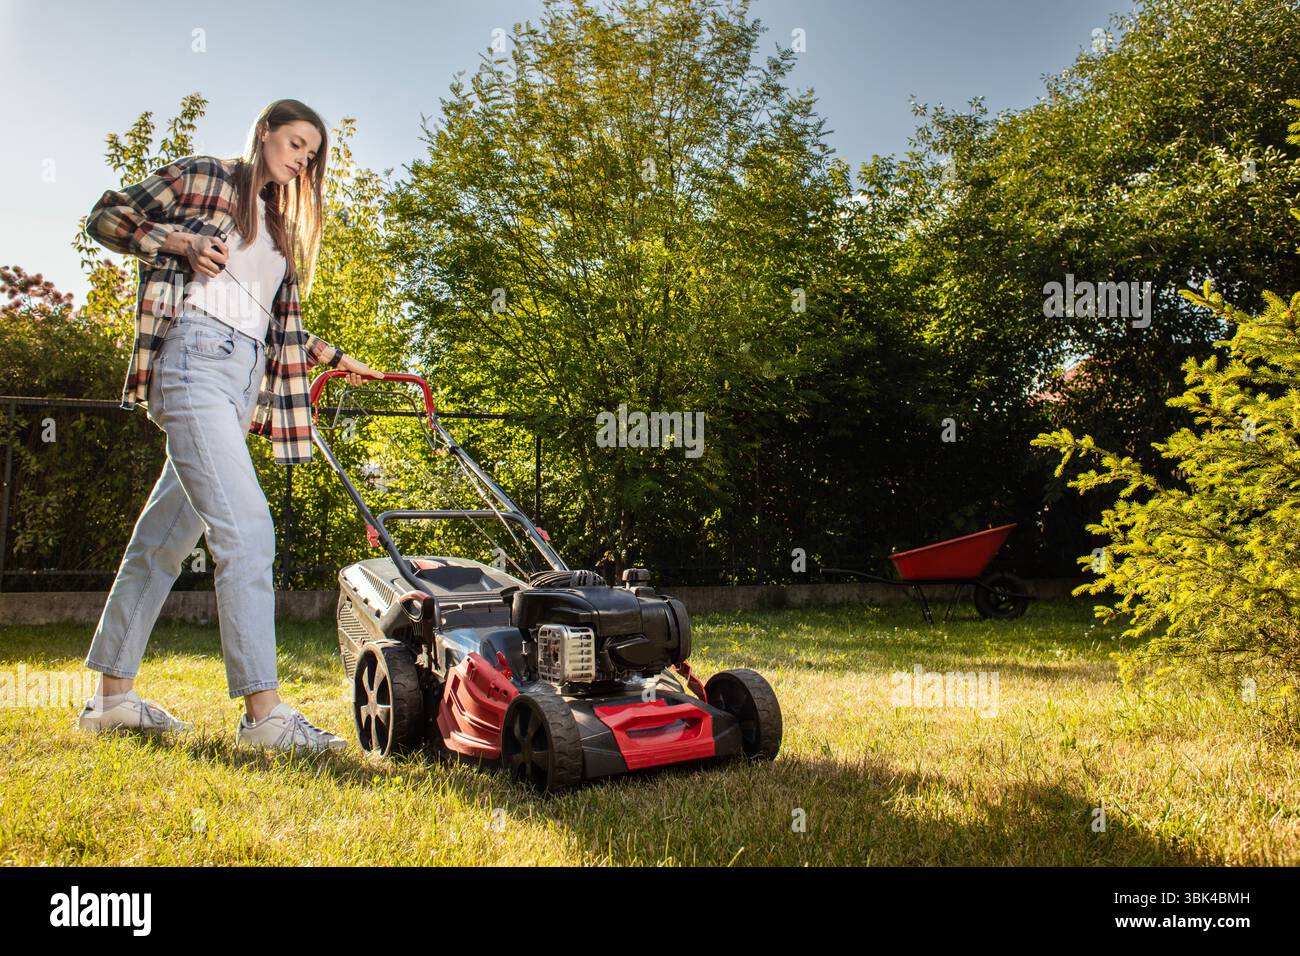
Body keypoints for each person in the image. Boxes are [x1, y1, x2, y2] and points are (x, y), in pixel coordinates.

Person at [76, 99, 384, 752]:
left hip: (241, 383)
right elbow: (107, 216)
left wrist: (335, 358)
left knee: (160, 543)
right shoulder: (208, 176)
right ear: (265, 131)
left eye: (312, 152)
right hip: (193, 362)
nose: (303, 157)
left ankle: (110, 699)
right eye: (296, 141)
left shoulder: (275, 224)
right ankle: (263, 717)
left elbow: (270, 322)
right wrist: (180, 242)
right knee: (247, 532)